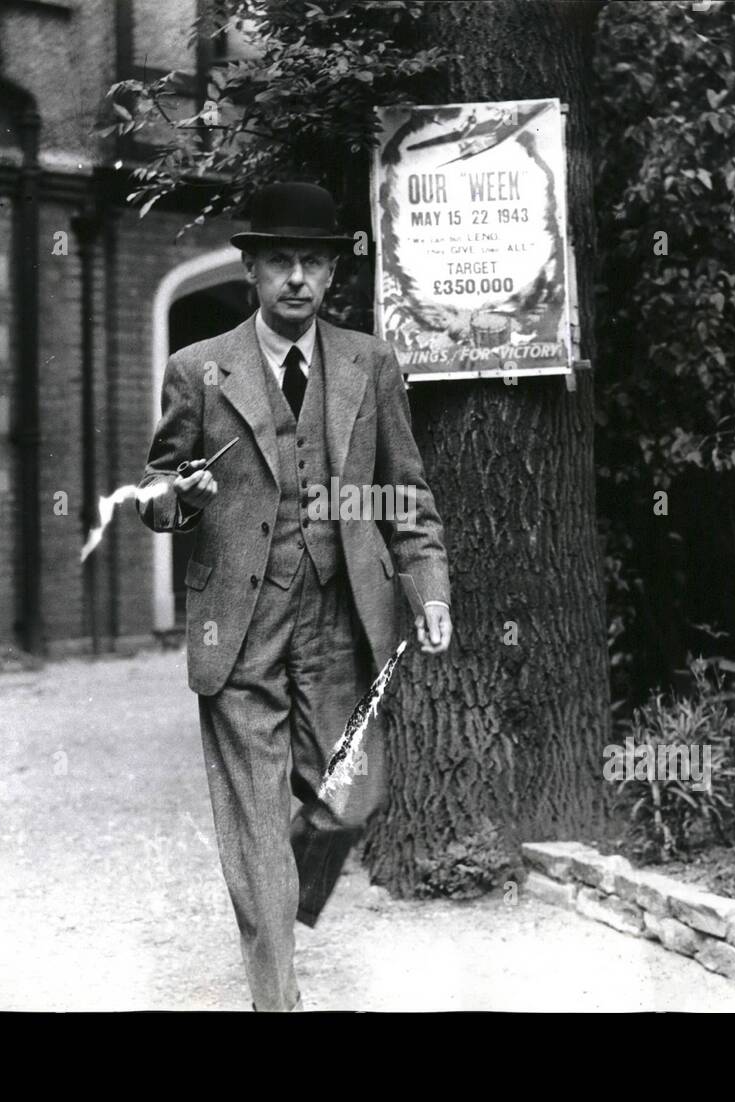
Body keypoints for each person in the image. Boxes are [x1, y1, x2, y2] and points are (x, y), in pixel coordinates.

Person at [136, 181, 453, 1011]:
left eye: (313, 262)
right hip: (239, 626)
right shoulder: (197, 369)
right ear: (252, 268)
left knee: (352, 797)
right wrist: (183, 497)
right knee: (253, 831)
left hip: (342, 619)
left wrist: (429, 587)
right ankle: (275, 997)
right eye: (281, 261)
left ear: (332, 272)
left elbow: (405, 495)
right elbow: (157, 490)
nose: (298, 279)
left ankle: (282, 876)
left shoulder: (369, 364)